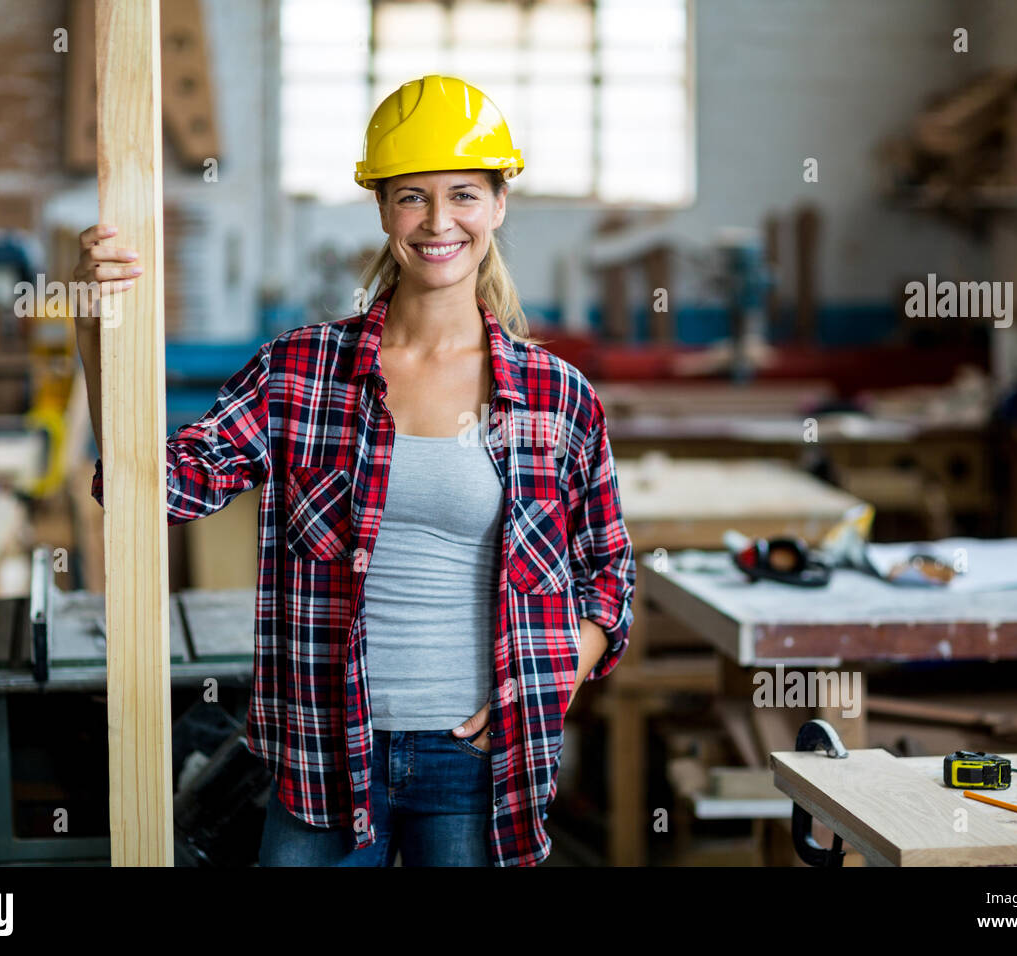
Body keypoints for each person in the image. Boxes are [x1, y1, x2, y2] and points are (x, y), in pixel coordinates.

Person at [72, 74, 635, 867]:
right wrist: (96, 330)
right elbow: (154, 487)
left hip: (475, 761)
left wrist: (549, 678)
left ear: (499, 206)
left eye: (465, 194)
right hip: (324, 755)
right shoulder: (301, 373)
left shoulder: (556, 396)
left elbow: (609, 574)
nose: (439, 222)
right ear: (380, 208)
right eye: (412, 197)